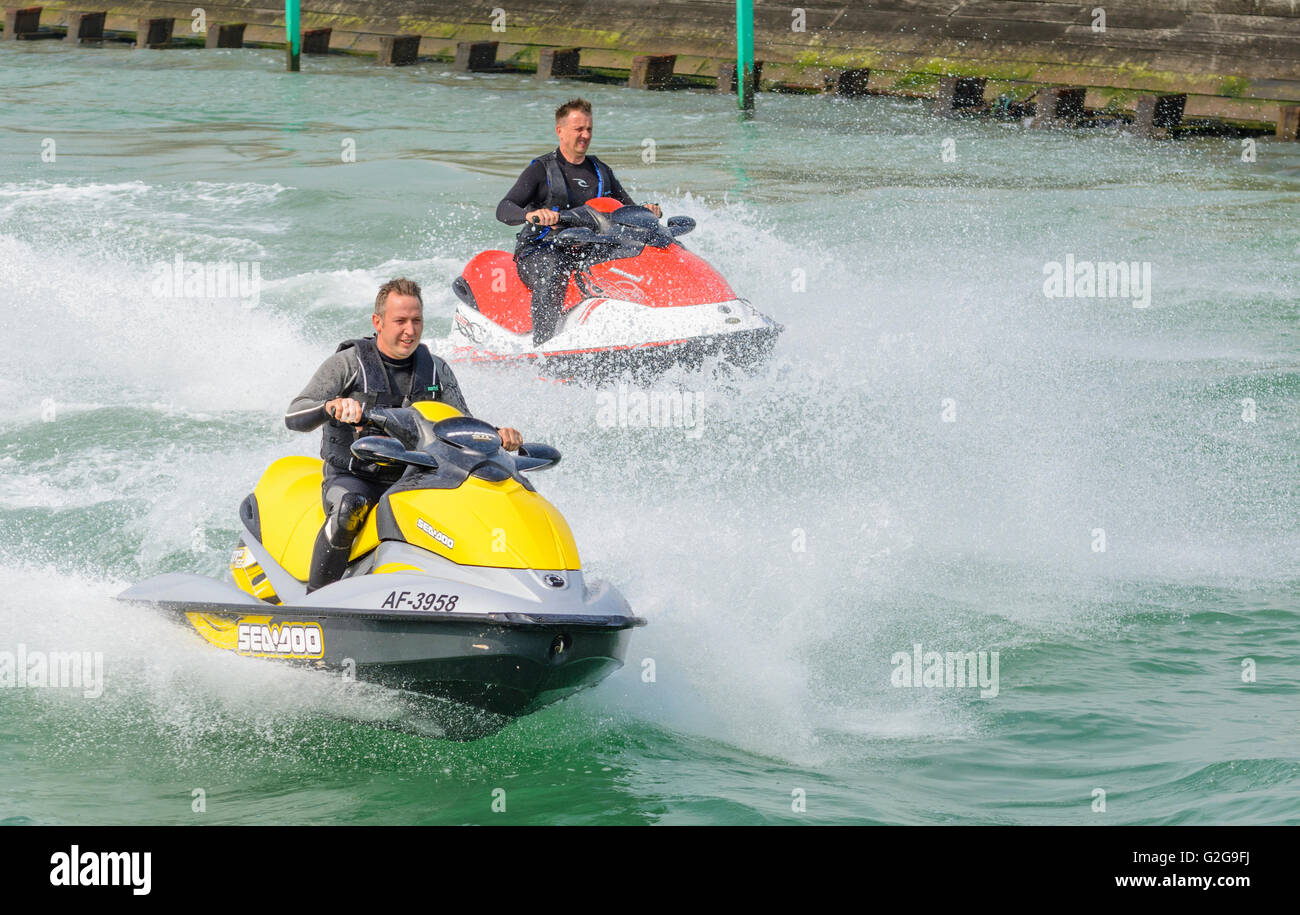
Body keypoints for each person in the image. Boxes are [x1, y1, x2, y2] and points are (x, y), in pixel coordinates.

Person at [285, 277, 522, 592]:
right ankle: (316, 601)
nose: (410, 330)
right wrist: (331, 406)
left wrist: (497, 436)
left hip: (417, 478)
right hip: (355, 477)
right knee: (350, 507)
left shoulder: (436, 370)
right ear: (378, 322)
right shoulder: (348, 364)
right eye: (400, 321)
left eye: (416, 320)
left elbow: (461, 425)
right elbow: (294, 414)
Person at [496, 97, 663, 346]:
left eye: (589, 129)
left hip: (589, 249)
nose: (585, 135)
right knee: (553, 271)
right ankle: (543, 349)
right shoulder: (541, 169)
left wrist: (646, 211)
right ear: (560, 131)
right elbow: (504, 208)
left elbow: (625, 209)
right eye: (578, 129)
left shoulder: (600, 170)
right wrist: (531, 215)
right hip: (541, 250)